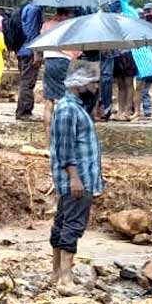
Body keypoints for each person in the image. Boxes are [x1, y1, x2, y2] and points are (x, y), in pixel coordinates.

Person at [49, 64, 105, 286]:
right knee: (72, 225)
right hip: (77, 180)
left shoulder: (77, 108)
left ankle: (56, 274)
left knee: (63, 223)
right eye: (93, 83)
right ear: (80, 84)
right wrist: (75, 177)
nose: (96, 87)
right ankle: (65, 277)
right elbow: (65, 148)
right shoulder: (67, 109)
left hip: (81, 178)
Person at [40, 8, 78, 136]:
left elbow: (39, 42)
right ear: (67, 14)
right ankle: (65, 138)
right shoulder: (69, 26)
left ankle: (48, 142)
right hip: (64, 62)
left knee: (49, 100)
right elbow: (77, 50)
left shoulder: (46, 25)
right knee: (65, 100)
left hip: (49, 61)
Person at [12, 4, 41, 120]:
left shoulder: (24, 7)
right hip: (29, 51)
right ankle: (24, 112)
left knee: (25, 81)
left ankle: (22, 110)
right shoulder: (35, 10)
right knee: (28, 82)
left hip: (21, 50)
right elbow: (32, 32)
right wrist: (36, 52)